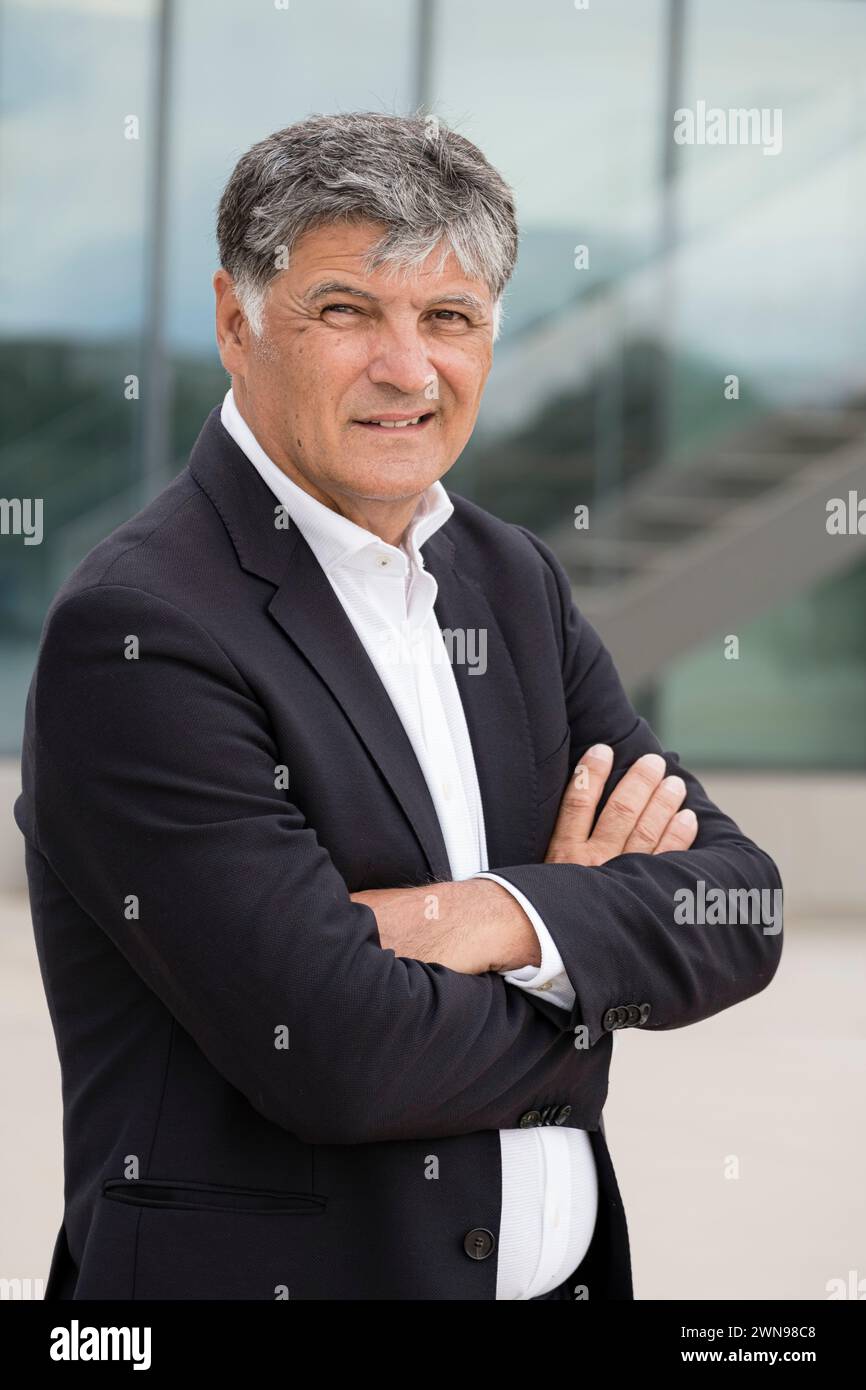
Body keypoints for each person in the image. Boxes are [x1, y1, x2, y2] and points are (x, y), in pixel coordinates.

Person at [14, 111, 783, 1301]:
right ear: (235, 321)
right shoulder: (141, 633)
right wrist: (585, 956)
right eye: (345, 311)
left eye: (448, 318)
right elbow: (334, 1053)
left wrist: (485, 918)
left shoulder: (509, 578)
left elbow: (738, 905)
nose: (407, 369)